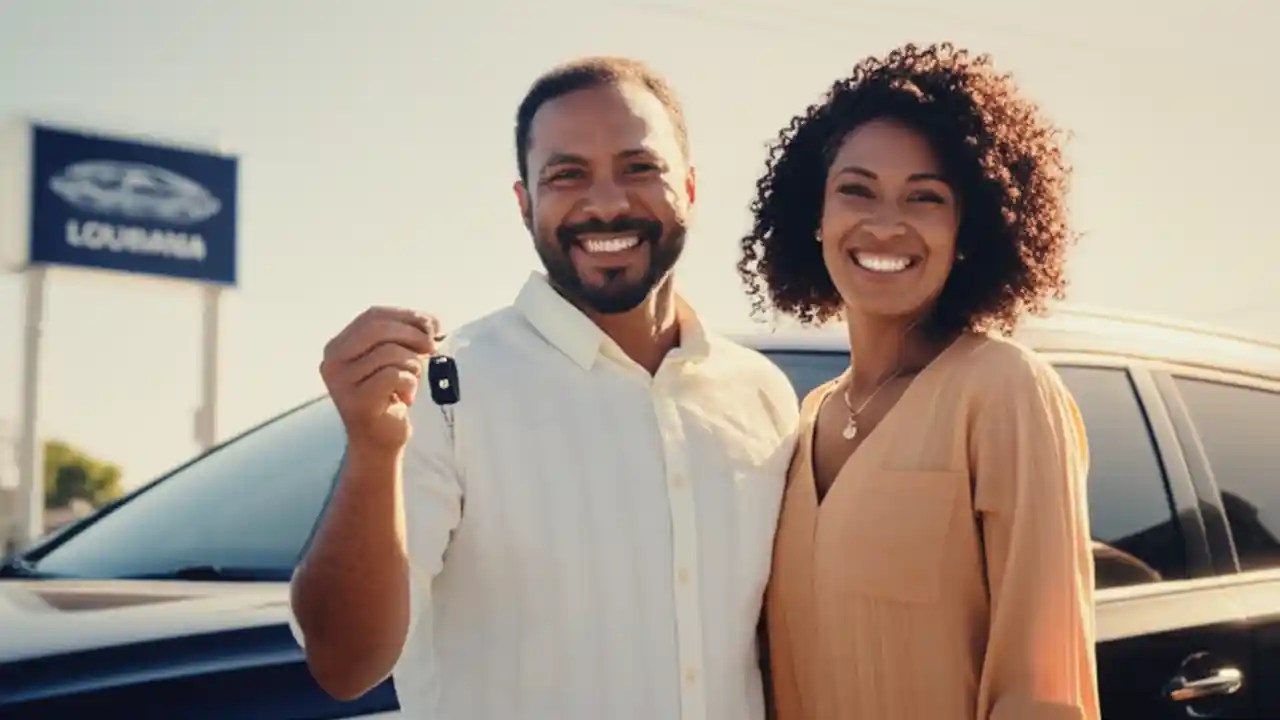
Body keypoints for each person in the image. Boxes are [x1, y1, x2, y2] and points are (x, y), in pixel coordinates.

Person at [289, 56, 799, 720]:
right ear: (525, 203)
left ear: (692, 189)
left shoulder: (763, 395)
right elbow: (344, 667)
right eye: (567, 175)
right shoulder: (443, 393)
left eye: (639, 168)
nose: (608, 202)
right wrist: (371, 451)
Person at [738, 43, 1100, 719]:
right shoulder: (806, 420)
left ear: (967, 229)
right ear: (815, 218)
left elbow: (1042, 692)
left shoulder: (1004, 392)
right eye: (856, 189)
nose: (885, 222)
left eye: (925, 197)